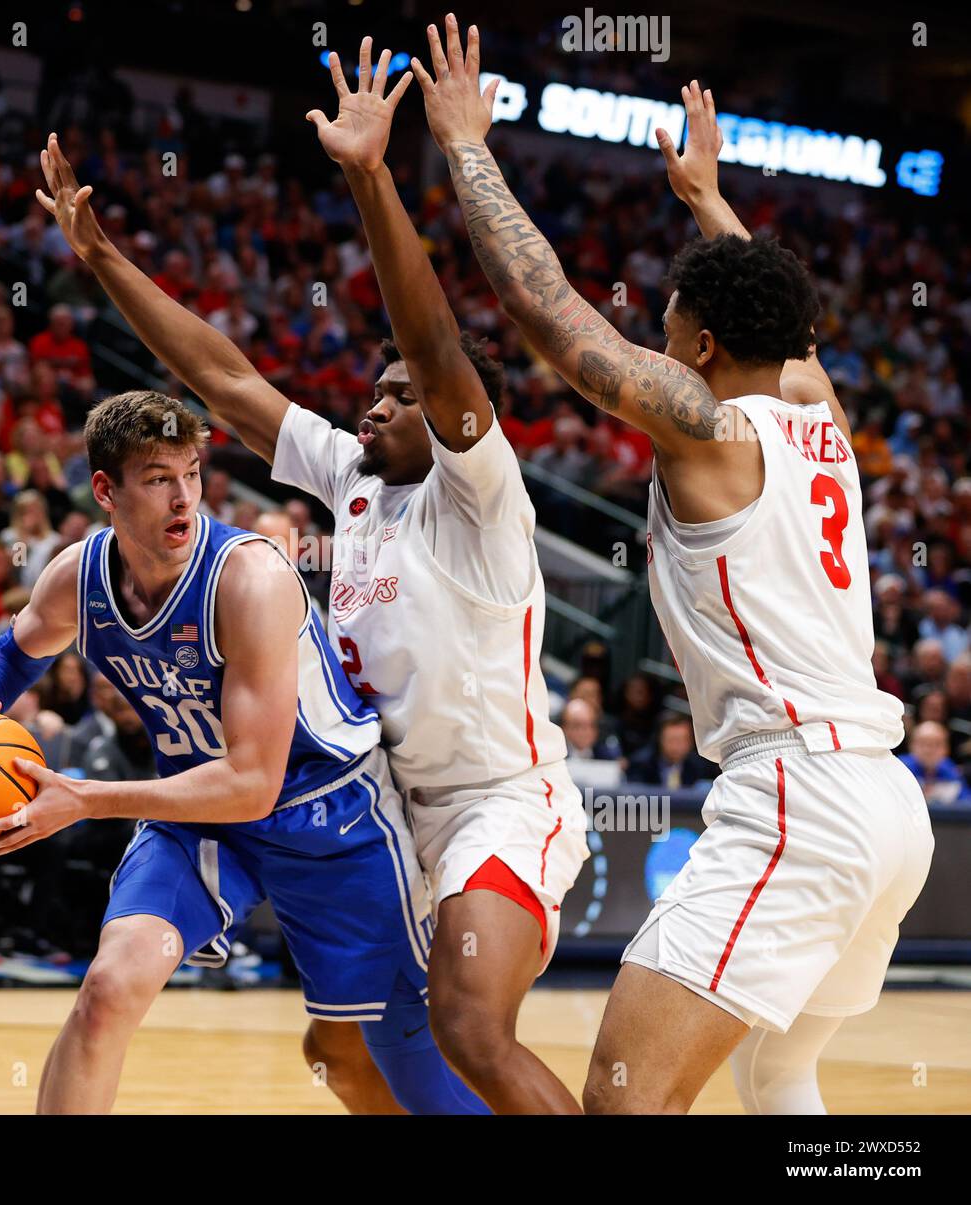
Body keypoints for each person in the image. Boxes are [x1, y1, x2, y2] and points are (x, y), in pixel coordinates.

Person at [39, 56, 591, 1111]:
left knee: (466, 1024)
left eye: (398, 396)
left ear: (451, 412)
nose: (373, 407)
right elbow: (225, 378)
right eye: (370, 394)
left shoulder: (482, 499)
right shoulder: (353, 477)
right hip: (380, 803)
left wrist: (369, 179)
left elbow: (432, 344)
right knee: (339, 1058)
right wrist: (103, 258)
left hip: (496, 802)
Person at [418, 29, 932, 1113]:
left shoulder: (710, 430)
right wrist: (706, 200)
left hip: (797, 792)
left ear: (696, 346)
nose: (655, 331)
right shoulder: (817, 415)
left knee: (622, 1095)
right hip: (887, 801)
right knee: (778, 1067)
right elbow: (783, 332)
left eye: (670, 320)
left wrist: (467, 147)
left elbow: (549, 313)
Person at [0, 391, 485, 1116]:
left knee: (408, 1061)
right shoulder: (78, 576)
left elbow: (252, 784)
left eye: (191, 472)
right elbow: (16, 647)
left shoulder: (250, 578)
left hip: (326, 810)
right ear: (106, 490)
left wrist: (86, 800)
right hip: (195, 808)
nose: (183, 497)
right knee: (109, 988)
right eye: (156, 478)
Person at [899, 721, 971, 806]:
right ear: (911, 745)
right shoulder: (900, 768)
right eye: (922, 743)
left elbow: (966, 804)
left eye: (936, 744)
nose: (928, 750)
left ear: (946, 749)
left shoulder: (951, 771)